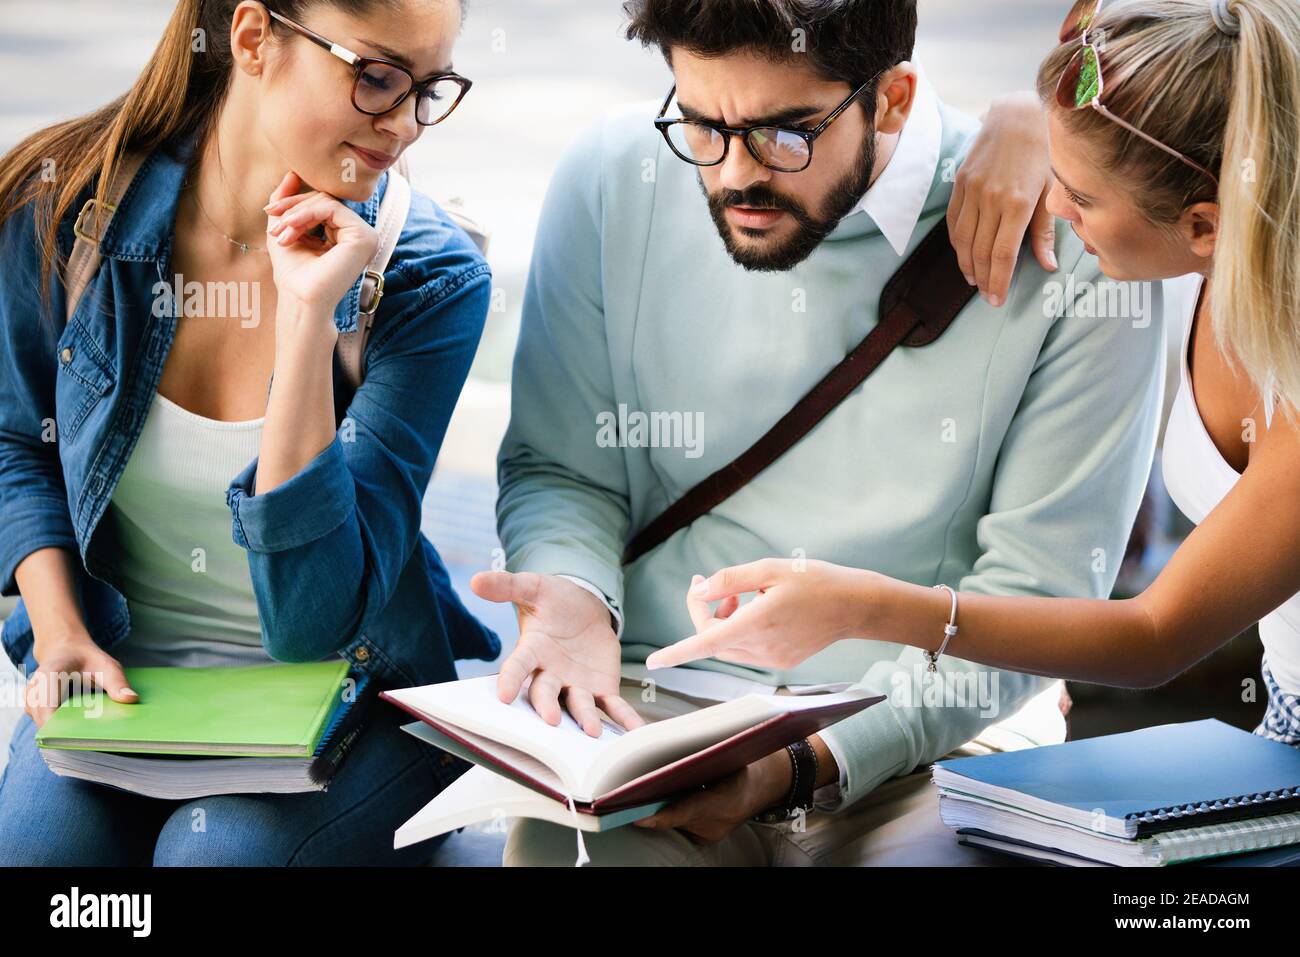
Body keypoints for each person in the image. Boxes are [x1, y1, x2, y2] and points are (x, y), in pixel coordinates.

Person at [469, 0, 1166, 866]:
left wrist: (799, 765)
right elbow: (562, 468)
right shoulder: (612, 175)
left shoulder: (1077, 246)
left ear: (898, 100)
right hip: (651, 713)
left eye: (785, 135)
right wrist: (573, 592)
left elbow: (1041, 598)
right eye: (701, 124)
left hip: (935, 741)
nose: (734, 175)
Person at [650, 0, 1300, 753]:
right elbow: (1161, 109)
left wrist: (866, 606)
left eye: (1080, 198)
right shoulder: (1207, 253)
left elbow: (1153, 637)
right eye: (1055, 172)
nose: (1050, 205)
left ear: (1205, 223)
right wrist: (1023, 117)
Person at [0, 0, 497, 865]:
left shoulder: (430, 278)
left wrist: (308, 320)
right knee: (41, 850)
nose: (406, 125)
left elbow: (314, 621)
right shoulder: (67, 203)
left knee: (216, 855)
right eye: (377, 77)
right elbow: (15, 439)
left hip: (357, 698)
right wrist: (58, 631)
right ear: (254, 37)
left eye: (431, 88)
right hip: (131, 679)